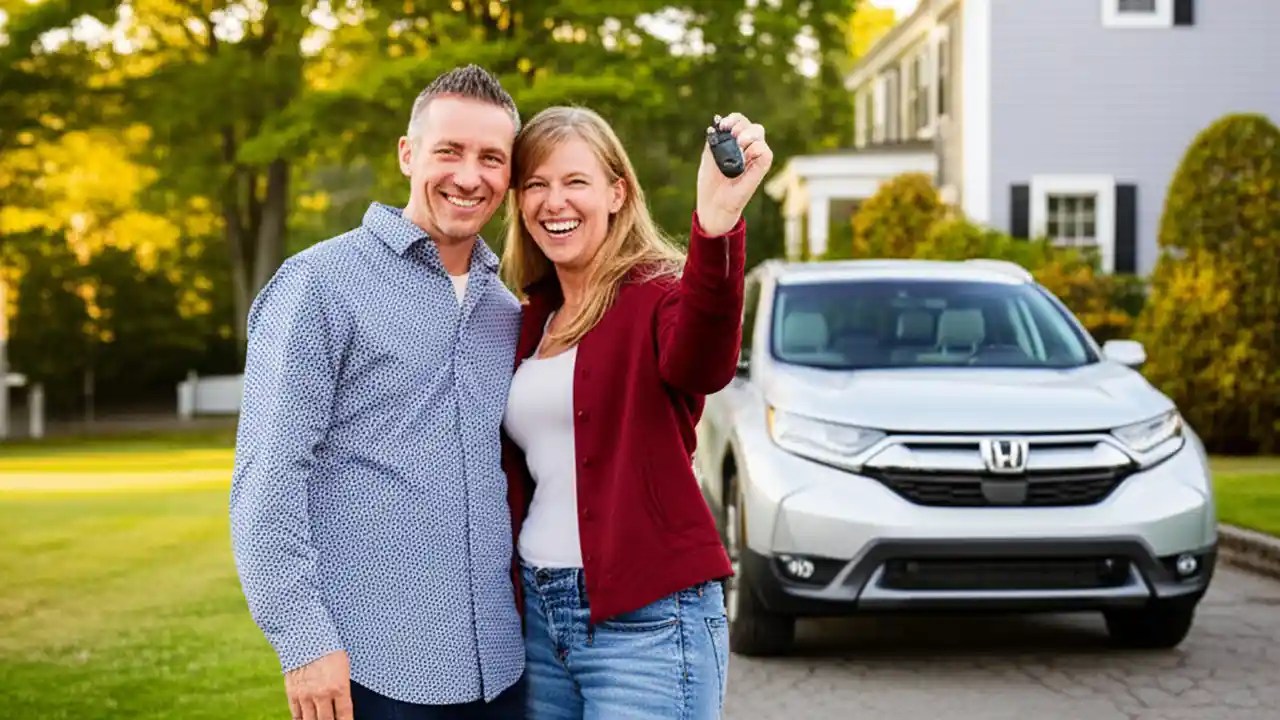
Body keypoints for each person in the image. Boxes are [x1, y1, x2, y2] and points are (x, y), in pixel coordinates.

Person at [230, 65, 528, 720]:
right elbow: (268, 477)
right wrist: (303, 640)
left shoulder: (506, 312)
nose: (469, 175)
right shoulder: (319, 284)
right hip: (373, 671)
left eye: (491, 158)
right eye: (449, 151)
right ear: (407, 154)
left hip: (503, 672)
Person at [500, 106, 772, 719]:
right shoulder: (529, 318)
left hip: (649, 621)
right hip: (541, 623)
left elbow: (705, 361)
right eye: (536, 184)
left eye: (575, 182)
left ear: (617, 192)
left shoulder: (658, 295)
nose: (553, 201)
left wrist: (718, 219)